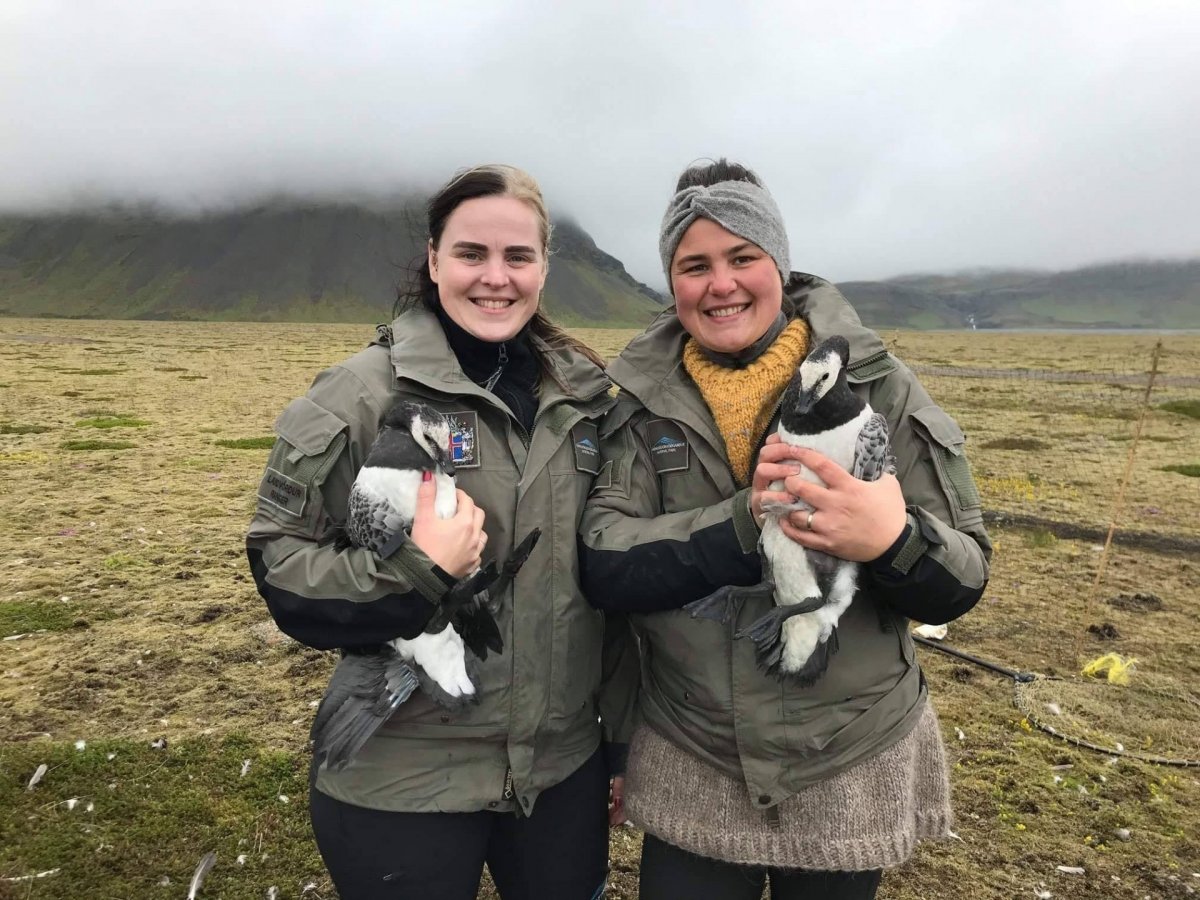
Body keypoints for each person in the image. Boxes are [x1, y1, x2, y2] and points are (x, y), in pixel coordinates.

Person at [579, 159, 992, 900]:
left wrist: (890, 541)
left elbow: (962, 578)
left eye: (743, 258)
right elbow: (605, 563)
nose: (721, 284)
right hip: (691, 749)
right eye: (694, 265)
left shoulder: (879, 386)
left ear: (780, 263)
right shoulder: (638, 401)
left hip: (848, 749)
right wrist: (744, 525)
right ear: (671, 281)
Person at [246, 163, 637, 900]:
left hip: (559, 774)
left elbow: (602, 594)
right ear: (433, 260)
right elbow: (279, 564)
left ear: (545, 267)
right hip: (399, 776)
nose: (497, 277)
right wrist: (417, 572)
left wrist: (617, 742)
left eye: (518, 257)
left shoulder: (584, 403)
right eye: (471, 254)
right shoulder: (361, 395)